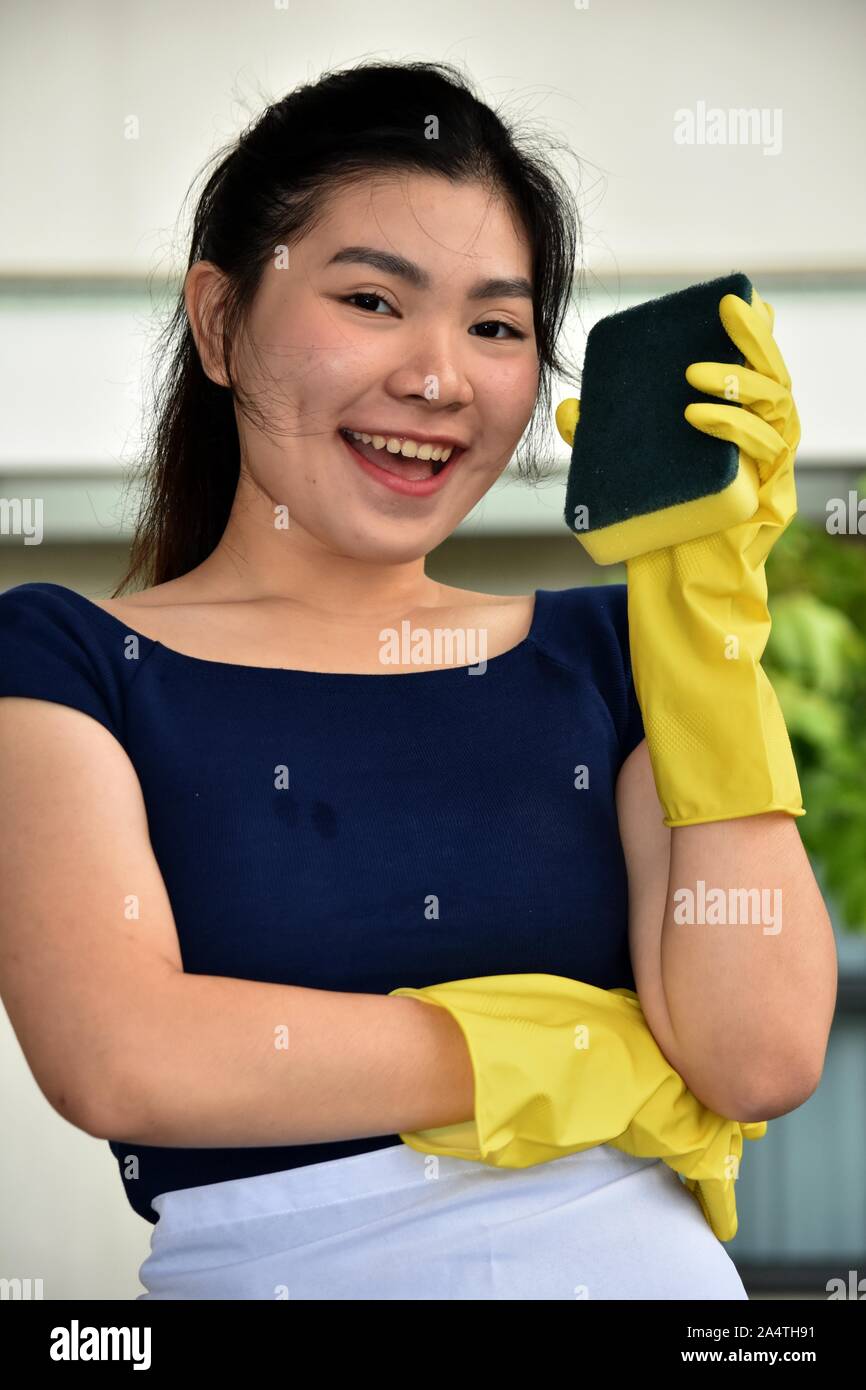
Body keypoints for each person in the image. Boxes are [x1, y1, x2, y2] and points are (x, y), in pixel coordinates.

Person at [0, 60, 833, 1301]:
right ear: (220, 320)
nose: (439, 377)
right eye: (374, 301)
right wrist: (551, 1050)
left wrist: (705, 627)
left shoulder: (618, 651)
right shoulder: (65, 658)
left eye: (495, 326)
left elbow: (756, 1053)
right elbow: (124, 1057)